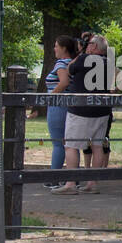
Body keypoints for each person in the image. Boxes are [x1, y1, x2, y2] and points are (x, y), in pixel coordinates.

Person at [54, 34, 113, 194]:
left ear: (94, 47)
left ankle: (70, 183)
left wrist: (80, 54)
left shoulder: (82, 59)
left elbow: (69, 69)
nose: (87, 45)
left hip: (80, 110)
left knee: (71, 146)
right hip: (102, 110)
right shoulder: (109, 63)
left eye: (89, 44)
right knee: (97, 146)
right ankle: (92, 183)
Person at [44, 35, 77, 189]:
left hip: (58, 106)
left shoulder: (61, 63)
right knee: (71, 143)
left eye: (56, 46)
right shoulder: (74, 63)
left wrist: (51, 97)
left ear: (64, 48)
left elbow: (63, 82)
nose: (54, 49)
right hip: (70, 106)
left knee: (58, 143)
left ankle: (54, 177)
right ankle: (73, 177)